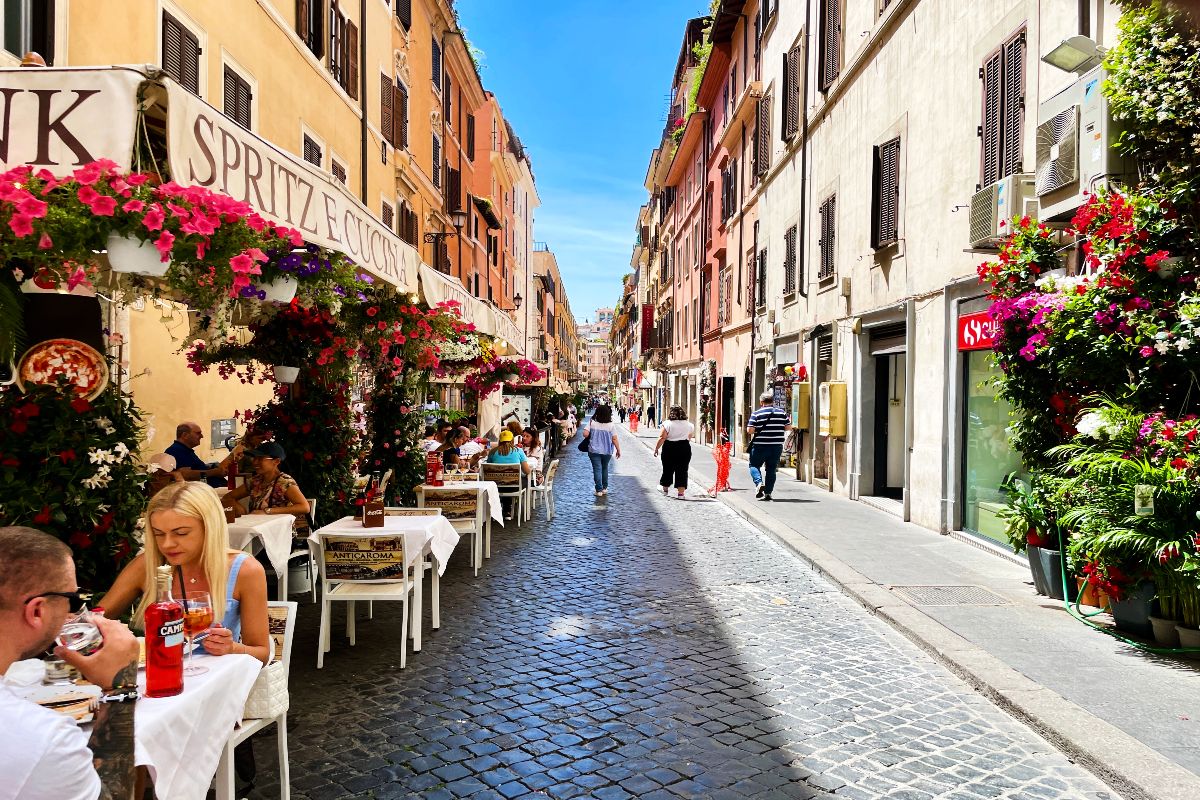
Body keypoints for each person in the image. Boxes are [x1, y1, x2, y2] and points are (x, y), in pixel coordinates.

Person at [0, 526, 141, 800]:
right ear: (37, 611)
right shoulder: (42, 739)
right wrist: (121, 688)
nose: (73, 611)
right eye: (73, 600)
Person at [99, 482, 271, 664]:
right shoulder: (148, 565)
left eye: (180, 533)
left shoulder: (245, 570)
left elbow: (262, 653)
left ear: (209, 528)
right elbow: (97, 621)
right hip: (161, 676)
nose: (167, 544)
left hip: (218, 683)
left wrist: (232, 648)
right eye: (158, 534)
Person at [223, 442, 311, 534]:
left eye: (260, 459)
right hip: (256, 530)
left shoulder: (284, 482)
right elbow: (228, 497)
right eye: (254, 458)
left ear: (276, 461)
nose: (255, 462)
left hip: (279, 534)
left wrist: (267, 511)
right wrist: (242, 513)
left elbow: (304, 507)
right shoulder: (255, 481)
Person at [747, 390, 792, 501]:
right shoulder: (781, 413)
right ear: (772, 401)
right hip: (776, 446)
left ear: (761, 402)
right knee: (771, 469)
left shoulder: (756, 414)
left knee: (754, 465)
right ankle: (768, 493)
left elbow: (750, 430)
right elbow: (788, 428)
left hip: (760, 446)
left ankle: (759, 483)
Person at [167, 421, 238, 483]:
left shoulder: (185, 450)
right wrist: (215, 472)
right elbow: (187, 475)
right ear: (185, 435)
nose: (202, 436)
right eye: (198, 433)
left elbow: (198, 472)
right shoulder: (177, 450)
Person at [487, 430, 532, 520]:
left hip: (496, 486)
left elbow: (489, 467)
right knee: (522, 480)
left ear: (500, 441)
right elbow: (527, 471)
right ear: (512, 441)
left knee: (503, 480)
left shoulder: (492, 452)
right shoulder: (518, 451)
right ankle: (508, 510)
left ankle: (500, 509)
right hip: (514, 487)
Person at [654, 405, 694, 499]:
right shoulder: (689, 424)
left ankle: (665, 489)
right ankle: (681, 494)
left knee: (668, 468)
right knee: (683, 470)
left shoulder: (667, 423)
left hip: (670, 447)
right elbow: (689, 437)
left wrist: (656, 448)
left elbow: (662, 437)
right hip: (684, 447)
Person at [582, 404, 620, 497]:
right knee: (605, 468)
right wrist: (618, 450)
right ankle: (604, 488)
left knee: (597, 469)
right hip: (607, 451)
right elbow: (614, 439)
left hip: (594, 450)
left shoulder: (592, 422)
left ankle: (598, 490)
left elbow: (585, 434)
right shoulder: (611, 425)